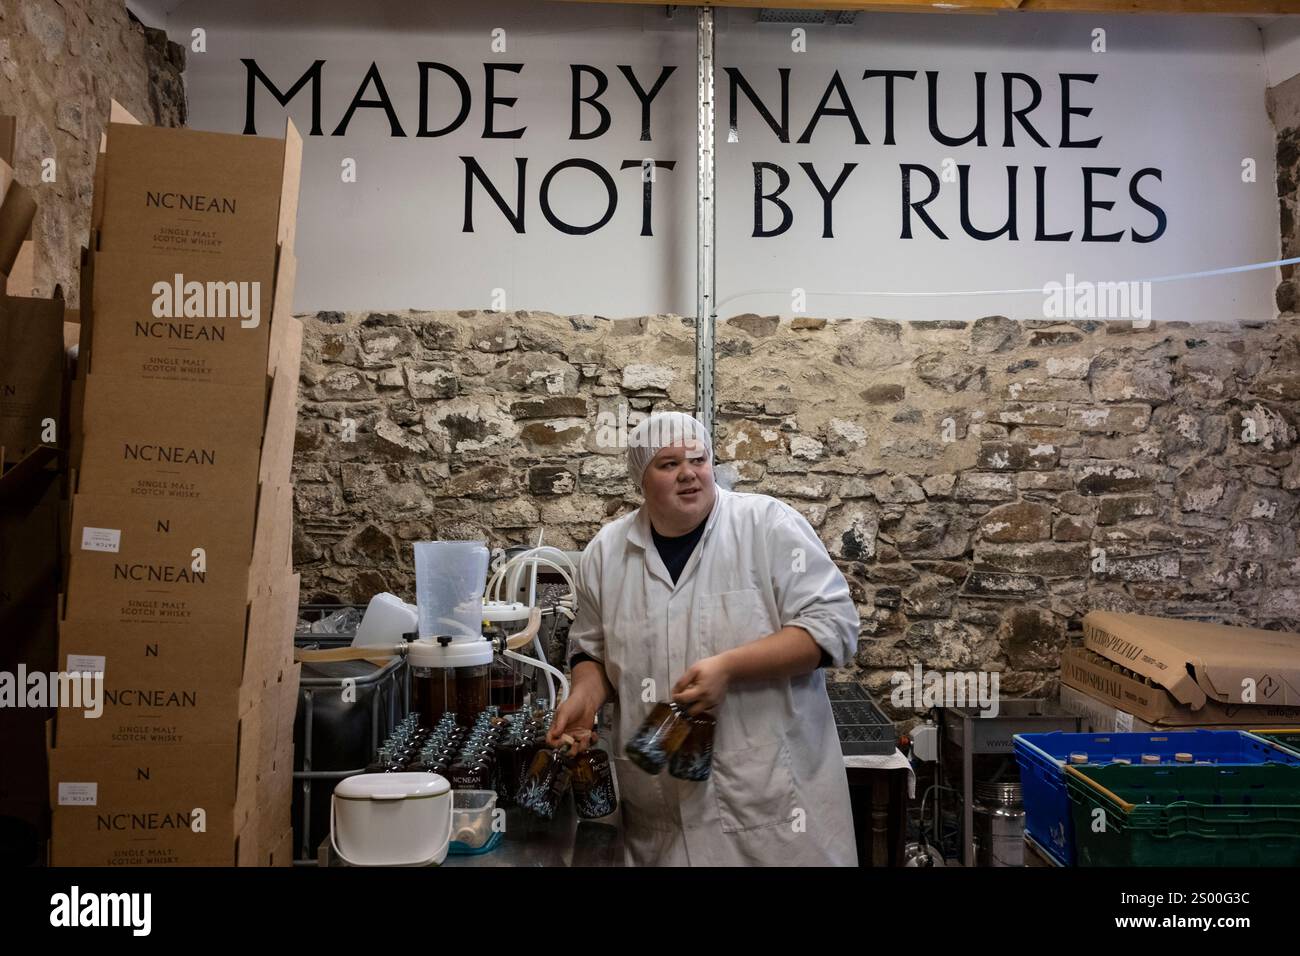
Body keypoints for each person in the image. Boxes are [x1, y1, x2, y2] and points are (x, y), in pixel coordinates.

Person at [547, 411, 860, 866]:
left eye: (698, 458)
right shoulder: (606, 553)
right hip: (658, 816)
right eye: (668, 463)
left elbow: (833, 629)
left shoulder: (767, 526)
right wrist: (585, 697)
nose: (689, 473)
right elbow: (592, 651)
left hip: (771, 812)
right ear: (640, 477)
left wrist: (729, 669)